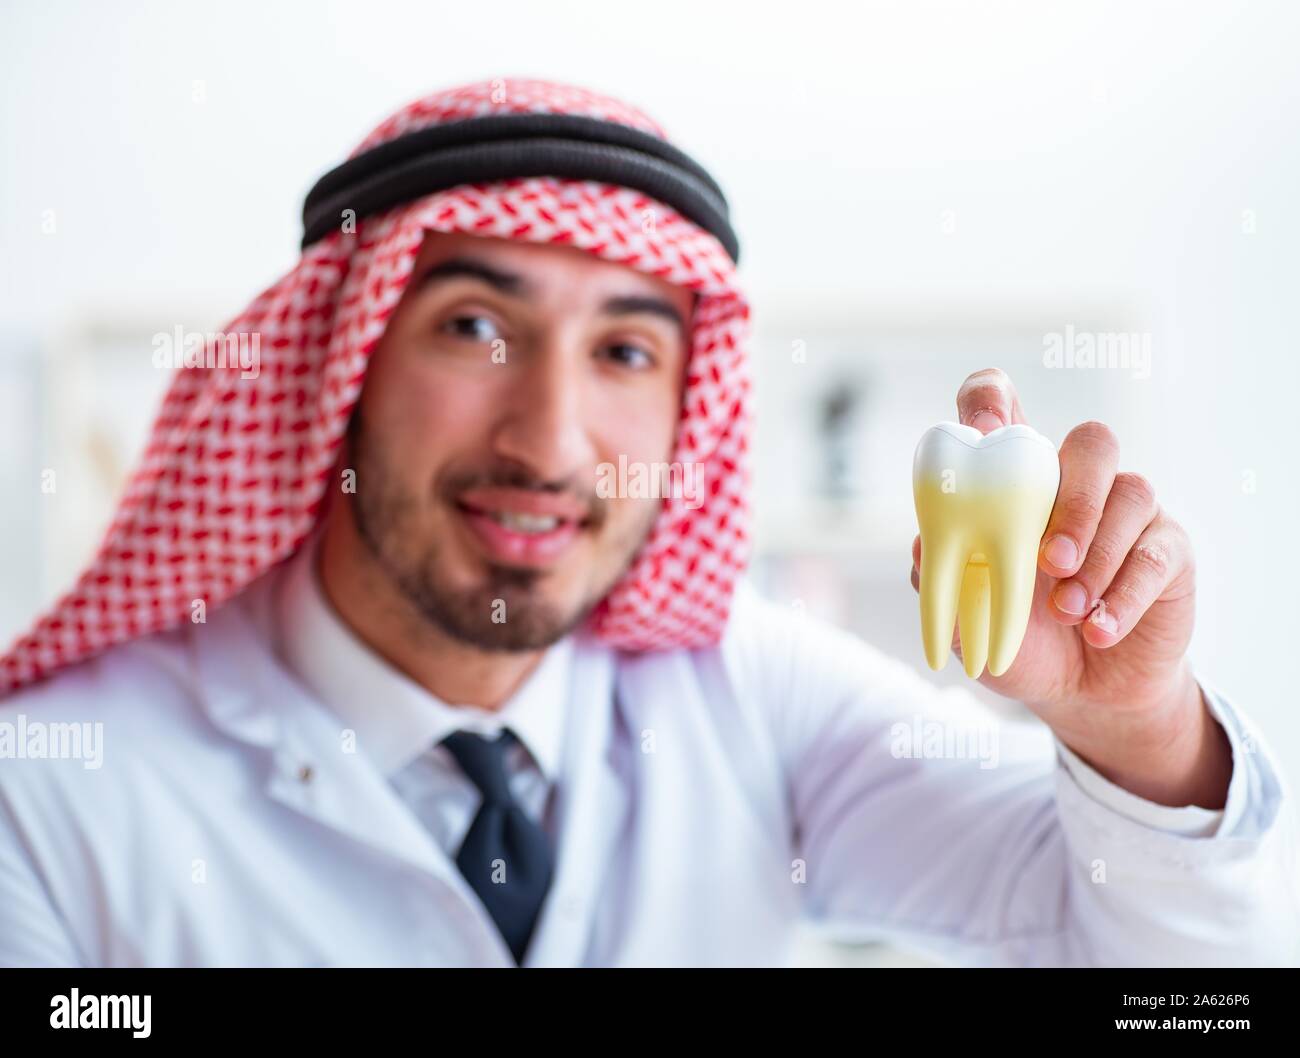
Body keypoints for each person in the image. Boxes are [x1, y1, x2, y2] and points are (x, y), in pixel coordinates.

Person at [0, 78, 1293, 968]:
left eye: (626, 349)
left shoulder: (750, 691)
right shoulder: (48, 798)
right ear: (339, 363)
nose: (551, 439)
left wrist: (1136, 731)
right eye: (475, 326)